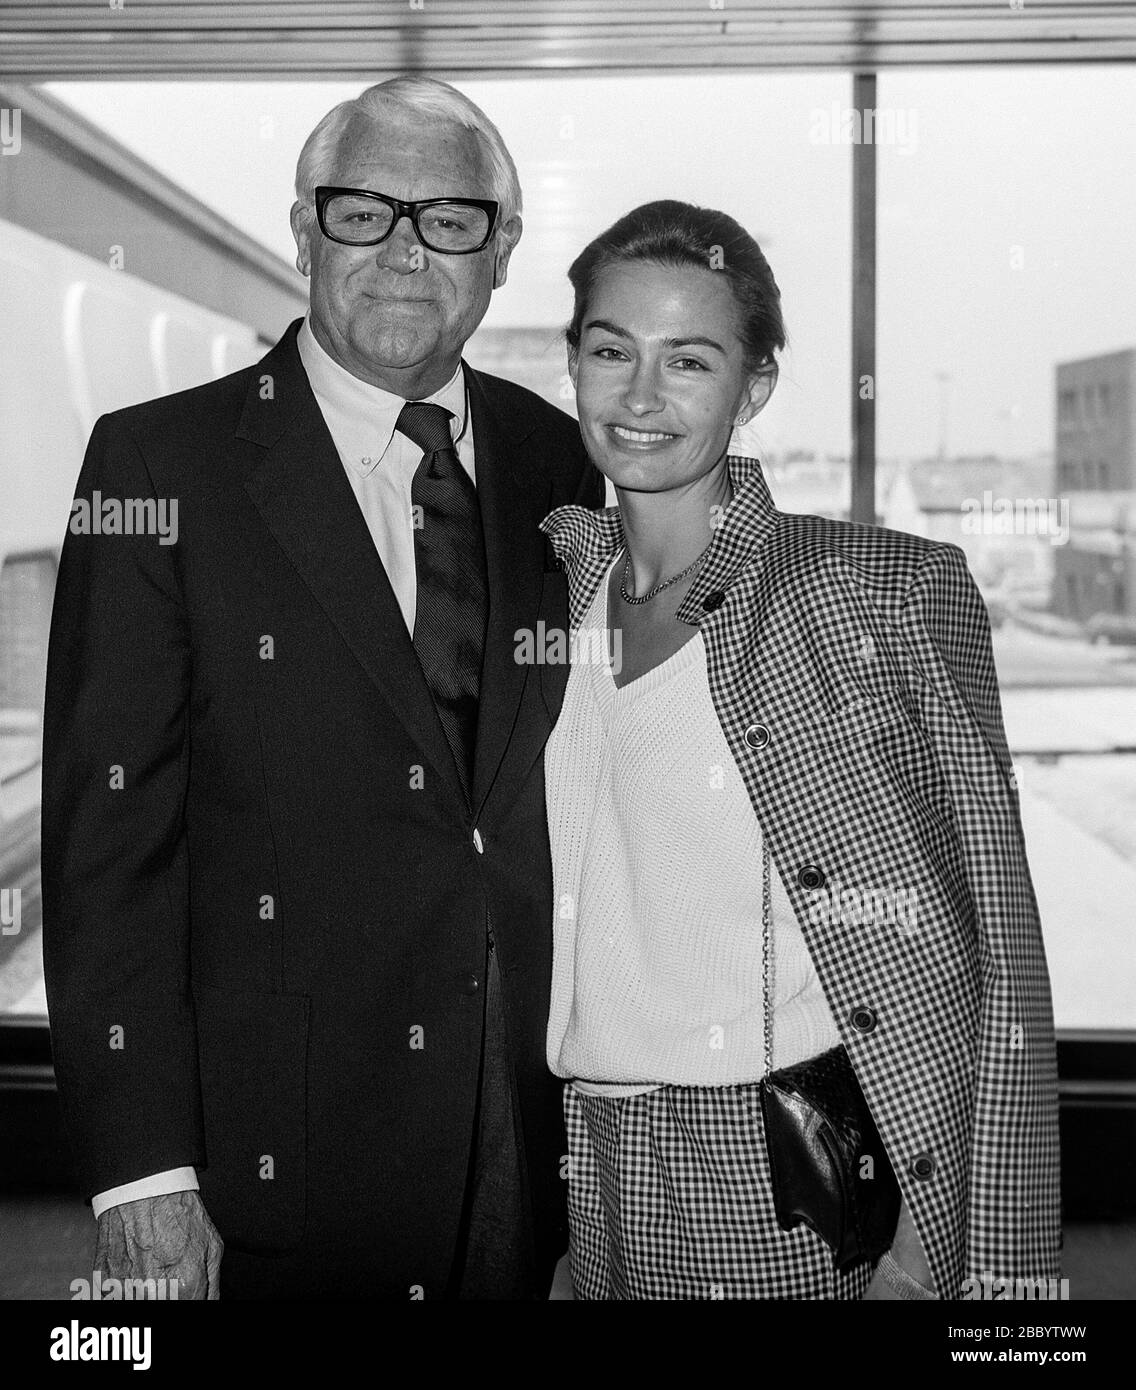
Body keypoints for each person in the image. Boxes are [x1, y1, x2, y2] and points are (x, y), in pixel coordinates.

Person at [41, 76, 603, 1300]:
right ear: (304, 232)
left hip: (525, 1126)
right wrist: (143, 1176)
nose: (404, 252)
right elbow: (107, 846)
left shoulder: (553, 457)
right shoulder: (155, 464)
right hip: (274, 1150)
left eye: (446, 219)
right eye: (362, 213)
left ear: (501, 250)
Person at [540, 200, 1061, 1300]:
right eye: (610, 351)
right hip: (584, 1158)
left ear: (754, 389)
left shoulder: (875, 593)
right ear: (573, 364)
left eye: (690, 360)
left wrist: (954, 1260)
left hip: (775, 1159)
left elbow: (996, 938)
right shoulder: (554, 589)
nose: (640, 395)